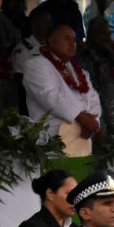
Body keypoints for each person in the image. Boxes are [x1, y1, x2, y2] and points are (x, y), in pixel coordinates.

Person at [23, 25, 102, 156]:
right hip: (52, 137)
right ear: (51, 42)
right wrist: (81, 117)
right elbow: (50, 96)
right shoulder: (36, 65)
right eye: (67, 39)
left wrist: (94, 123)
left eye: (74, 40)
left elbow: (93, 98)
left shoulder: (81, 72)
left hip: (82, 137)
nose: (72, 43)